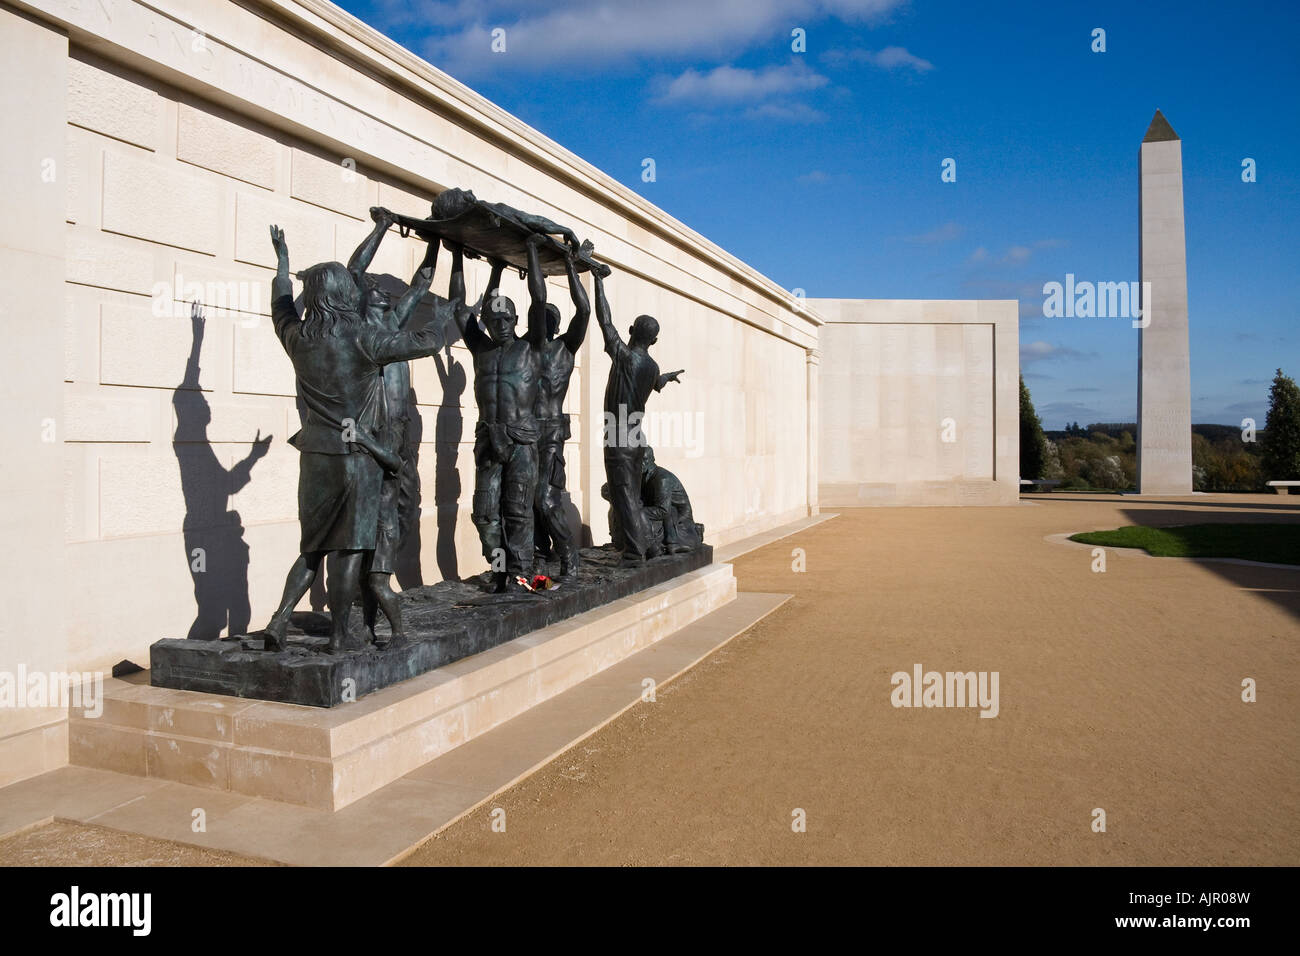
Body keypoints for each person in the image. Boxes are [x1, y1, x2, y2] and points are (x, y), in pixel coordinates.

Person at [261, 220, 445, 654]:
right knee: (349, 551)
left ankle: (279, 618)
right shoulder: (365, 337)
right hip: (356, 457)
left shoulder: (298, 338)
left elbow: (282, 305)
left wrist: (283, 262)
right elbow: (426, 343)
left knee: (312, 548)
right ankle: (341, 634)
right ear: (346, 294)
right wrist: (437, 320)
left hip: (315, 455)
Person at [446, 236, 546, 592]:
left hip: (521, 438)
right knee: (485, 513)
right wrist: (456, 253)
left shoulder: (531, 348)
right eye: (494, 318)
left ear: (516, 319)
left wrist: (531, 249)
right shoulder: (481, 349)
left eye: (506, 317)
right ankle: (501, 569)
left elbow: (539, 299)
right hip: (488, 436)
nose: (501, 322)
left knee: (517, 512)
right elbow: (459, 307)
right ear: (486, 321)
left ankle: (521, 576)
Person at [591, 269, 684, 564]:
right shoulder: (652, 366)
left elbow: (604, 320)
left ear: (631, 330)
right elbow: (655, 384)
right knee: (633, 494)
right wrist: (666, 377)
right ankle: (652, 546)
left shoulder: (623, 354)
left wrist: (598, 280)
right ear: (654, 341)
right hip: (635, 436)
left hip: (618, 433)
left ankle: (634, 552)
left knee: (624, 496)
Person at [525, 239, 594, 578]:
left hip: (551, 432)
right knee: (526, 500)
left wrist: (570, 266)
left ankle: (568, 553)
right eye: (540, 319)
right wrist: (531, 252)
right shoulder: (526, 349)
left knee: (546, 498)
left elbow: (584, 311)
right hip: (524, 431)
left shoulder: (565, 350)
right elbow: (537, 301)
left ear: (557, 326)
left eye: (550, 319)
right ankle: (539, 556)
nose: (542, 323)